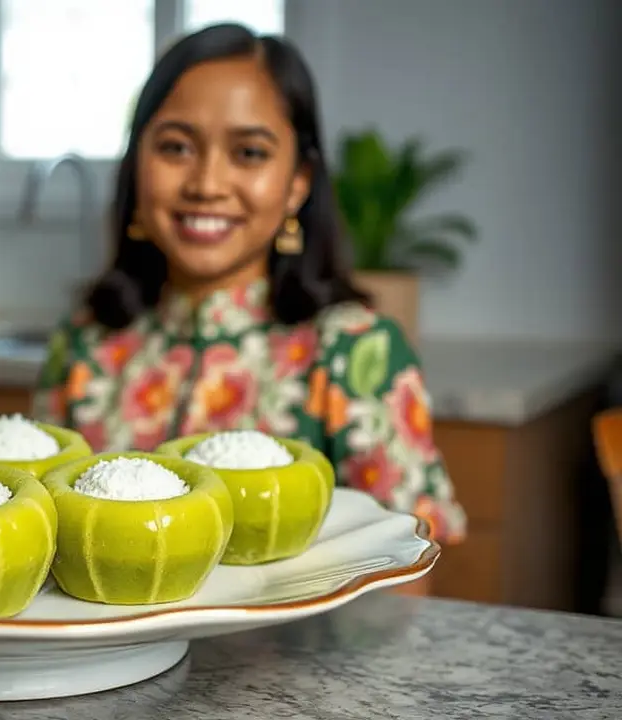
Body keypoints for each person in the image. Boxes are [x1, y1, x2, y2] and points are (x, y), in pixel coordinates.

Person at [30, 24, 467, 563]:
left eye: (250, 153)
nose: (208, 183)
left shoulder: (355, 353)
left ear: (298, 182)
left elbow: (407, 568)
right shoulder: (84, 345)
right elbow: (44, 540)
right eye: (176, 147)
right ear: (135, 166)